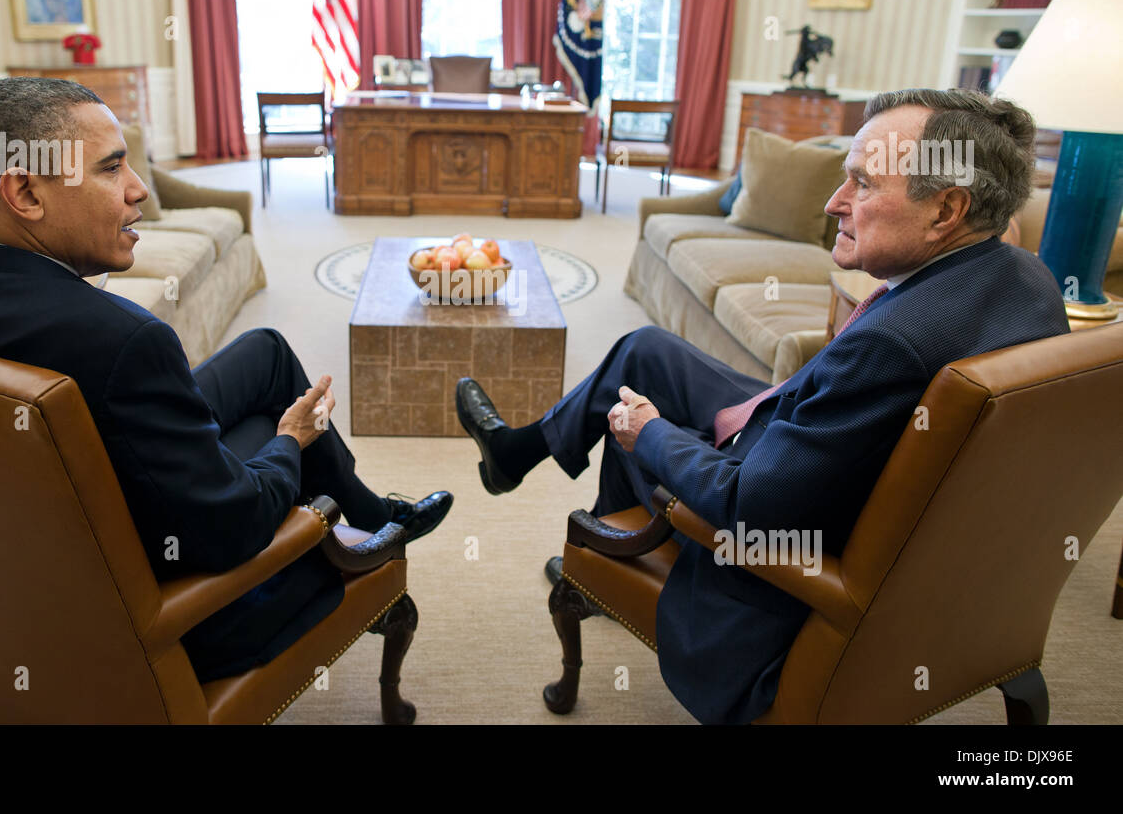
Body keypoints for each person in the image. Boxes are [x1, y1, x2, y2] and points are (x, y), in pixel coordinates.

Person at [455, 87, 1069, 724]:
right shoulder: (1029, 279)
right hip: (847, 471)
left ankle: (601, 531)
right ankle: (521, 454)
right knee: (645, 353)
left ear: (948, 209)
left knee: (632, 411)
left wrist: (651, 434)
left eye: (861, 183)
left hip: (780, 553)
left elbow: (749, 509)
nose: (835, 202)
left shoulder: (892, 348)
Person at [0, 76, 452, 683]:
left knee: (266, 352)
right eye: (112, 169)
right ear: (25, 193)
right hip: (168, 613)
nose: (139, 189)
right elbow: (234, 529)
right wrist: (290, 440)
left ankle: (371, 510)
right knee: (278, 424)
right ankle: (368, 529)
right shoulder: (122, 340)